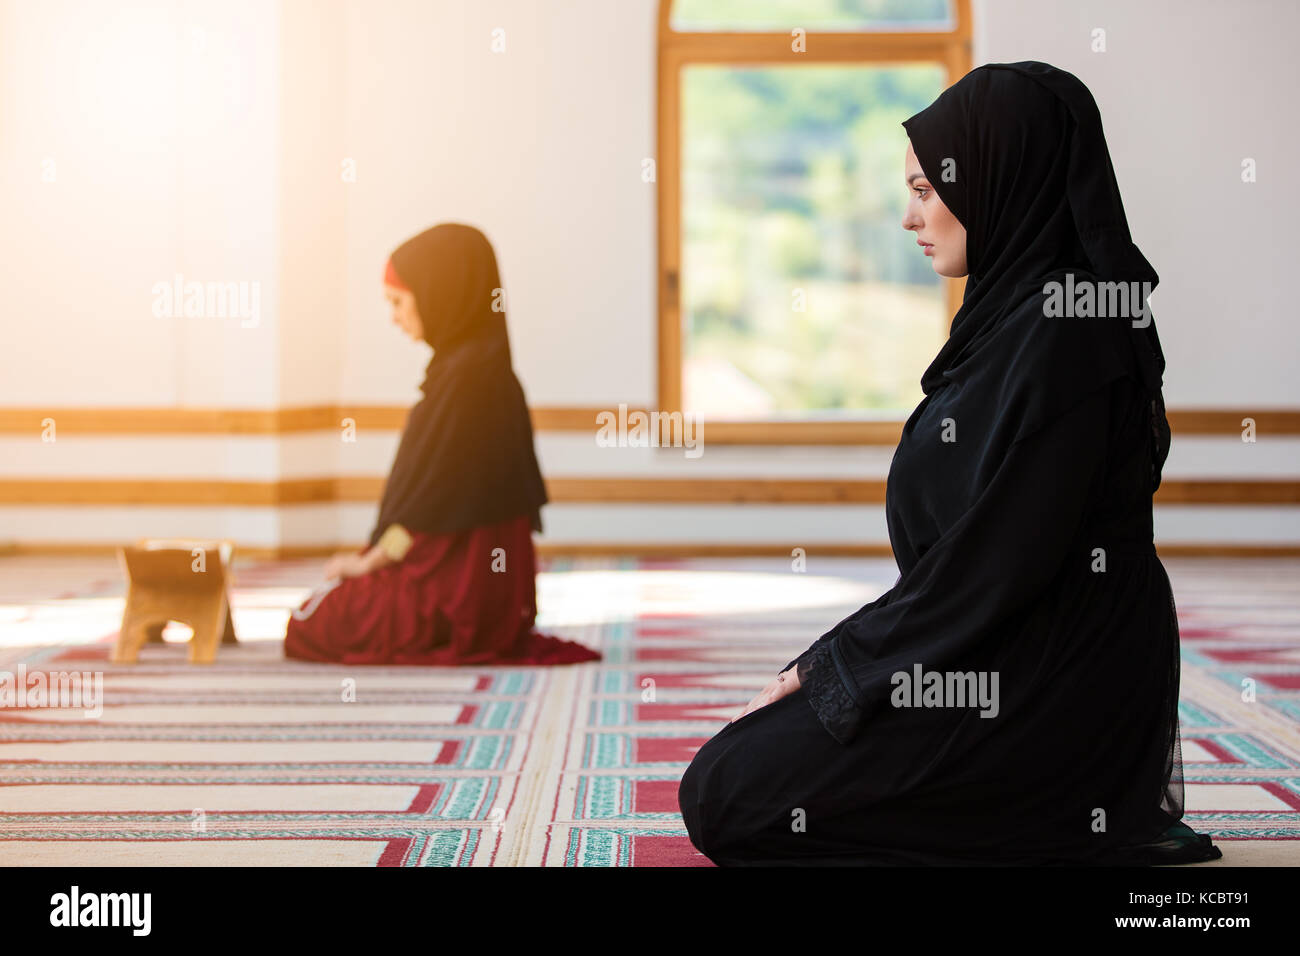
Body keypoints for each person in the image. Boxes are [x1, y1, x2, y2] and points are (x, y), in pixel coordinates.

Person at [677, 61, 1222, 866]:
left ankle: (1054, 816)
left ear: (1004, 176)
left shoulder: (1069, 334)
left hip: (1050, 677)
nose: (909, 218)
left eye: (927, 190)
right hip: (987, 649)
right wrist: (838, 666)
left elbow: (993, 568)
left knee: (728, 796)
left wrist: (838, 665)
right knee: (736, 775)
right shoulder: (1014, 319)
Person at [283, 223, 600, 667]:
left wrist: (368, 563)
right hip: (492, 601)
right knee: (325, 605)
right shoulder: (484, 373)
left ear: (439, 294)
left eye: (397, 301)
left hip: (457, 598)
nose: (394, 317)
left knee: (308, 623)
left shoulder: (464, 383)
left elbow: (420, 519)